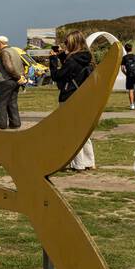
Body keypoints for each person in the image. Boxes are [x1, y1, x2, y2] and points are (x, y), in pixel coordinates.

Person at [50, 30, 96, 170]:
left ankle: (78, 164)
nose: (65, 45)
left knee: (71, 131)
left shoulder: (72, 60)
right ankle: (89, 161)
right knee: (83, 132)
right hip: (83, 97)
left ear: (73, 44)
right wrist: (62, 57)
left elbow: (57, 76)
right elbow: (73, 72)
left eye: (67, 43)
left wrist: (52, 61)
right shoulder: (88, 58)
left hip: (69, 96)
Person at [0, 36, 26, 129]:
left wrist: (17, 76)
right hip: (15, 81)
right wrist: (21, 77)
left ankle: (0, 125)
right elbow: (21, 65)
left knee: (1, 103)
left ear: (1, 43)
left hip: (5, 81)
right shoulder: (14, 51)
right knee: (12, 102)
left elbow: (9, 67)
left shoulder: (4, 52)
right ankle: (15, 123)